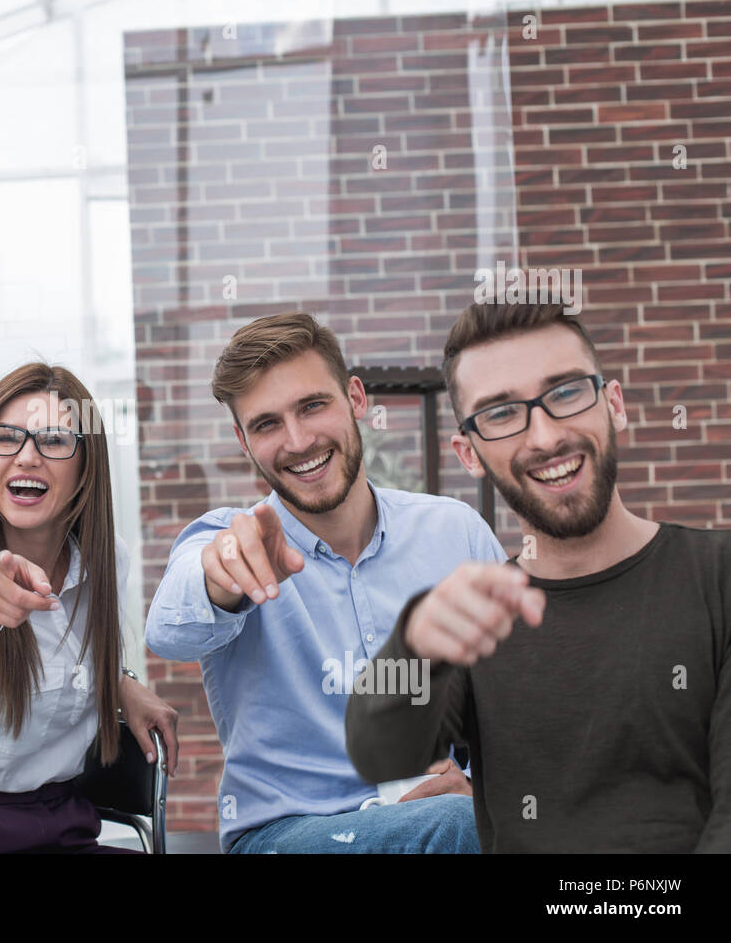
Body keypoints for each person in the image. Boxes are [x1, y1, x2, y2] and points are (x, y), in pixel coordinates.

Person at [345, 304, 730, 852]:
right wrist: (412, 647)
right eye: (501, 413)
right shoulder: (478, 617)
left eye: (567, 392)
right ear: (469, 453)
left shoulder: (719, 580)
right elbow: (377, 748)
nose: (545, 436)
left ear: (613, 404)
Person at [145, 312, 502, 854]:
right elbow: (168, 629)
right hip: (285, 834)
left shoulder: (454, 533)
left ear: (356, 399)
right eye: (266, 424)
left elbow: (517, 703)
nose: (298, 440)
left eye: (313, 406)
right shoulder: (232, 539)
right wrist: (224, 581)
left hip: (435, 822)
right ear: (244, 442)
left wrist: (482, 788)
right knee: (462, 827)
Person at [0, 363, 179, 853]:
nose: (26, 457)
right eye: (6, 437)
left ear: (86, 463)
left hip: (66, 825)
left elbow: (67, 657)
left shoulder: (105, 559)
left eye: (53, 440)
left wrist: (120, 682)